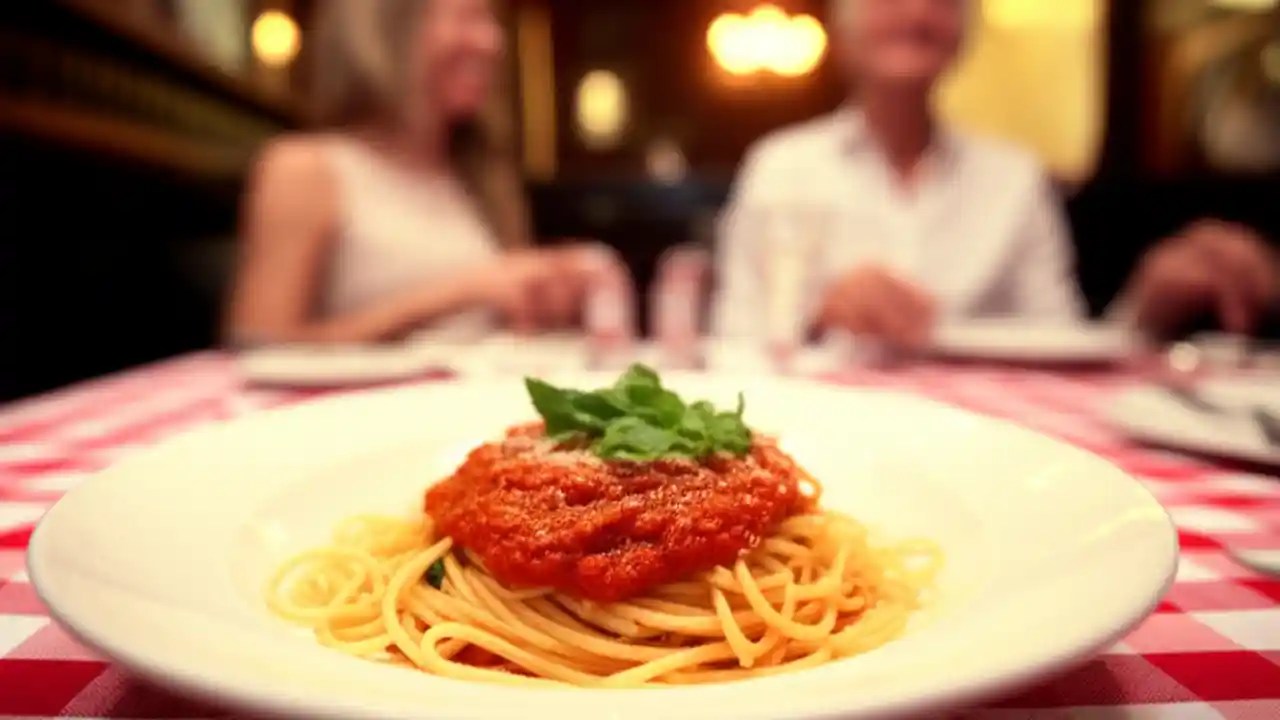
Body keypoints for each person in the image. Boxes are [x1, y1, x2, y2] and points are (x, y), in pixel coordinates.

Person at [714, 0, 1279, 346]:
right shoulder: (779, 166)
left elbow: (1059, 342)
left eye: (943, 0)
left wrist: (1149, 304)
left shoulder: (1015, 177)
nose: (916, 13)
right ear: (843, 28)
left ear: (965, 30)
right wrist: (818, 314)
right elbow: (731, 340)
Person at [227, 0, 612, 345]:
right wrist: (465, 291)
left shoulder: (479, 177)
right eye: (467, 18)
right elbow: (259, 345)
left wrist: (556, 289)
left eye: (490, 23)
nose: (492, 42)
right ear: (385, 28)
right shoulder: (305, 167)